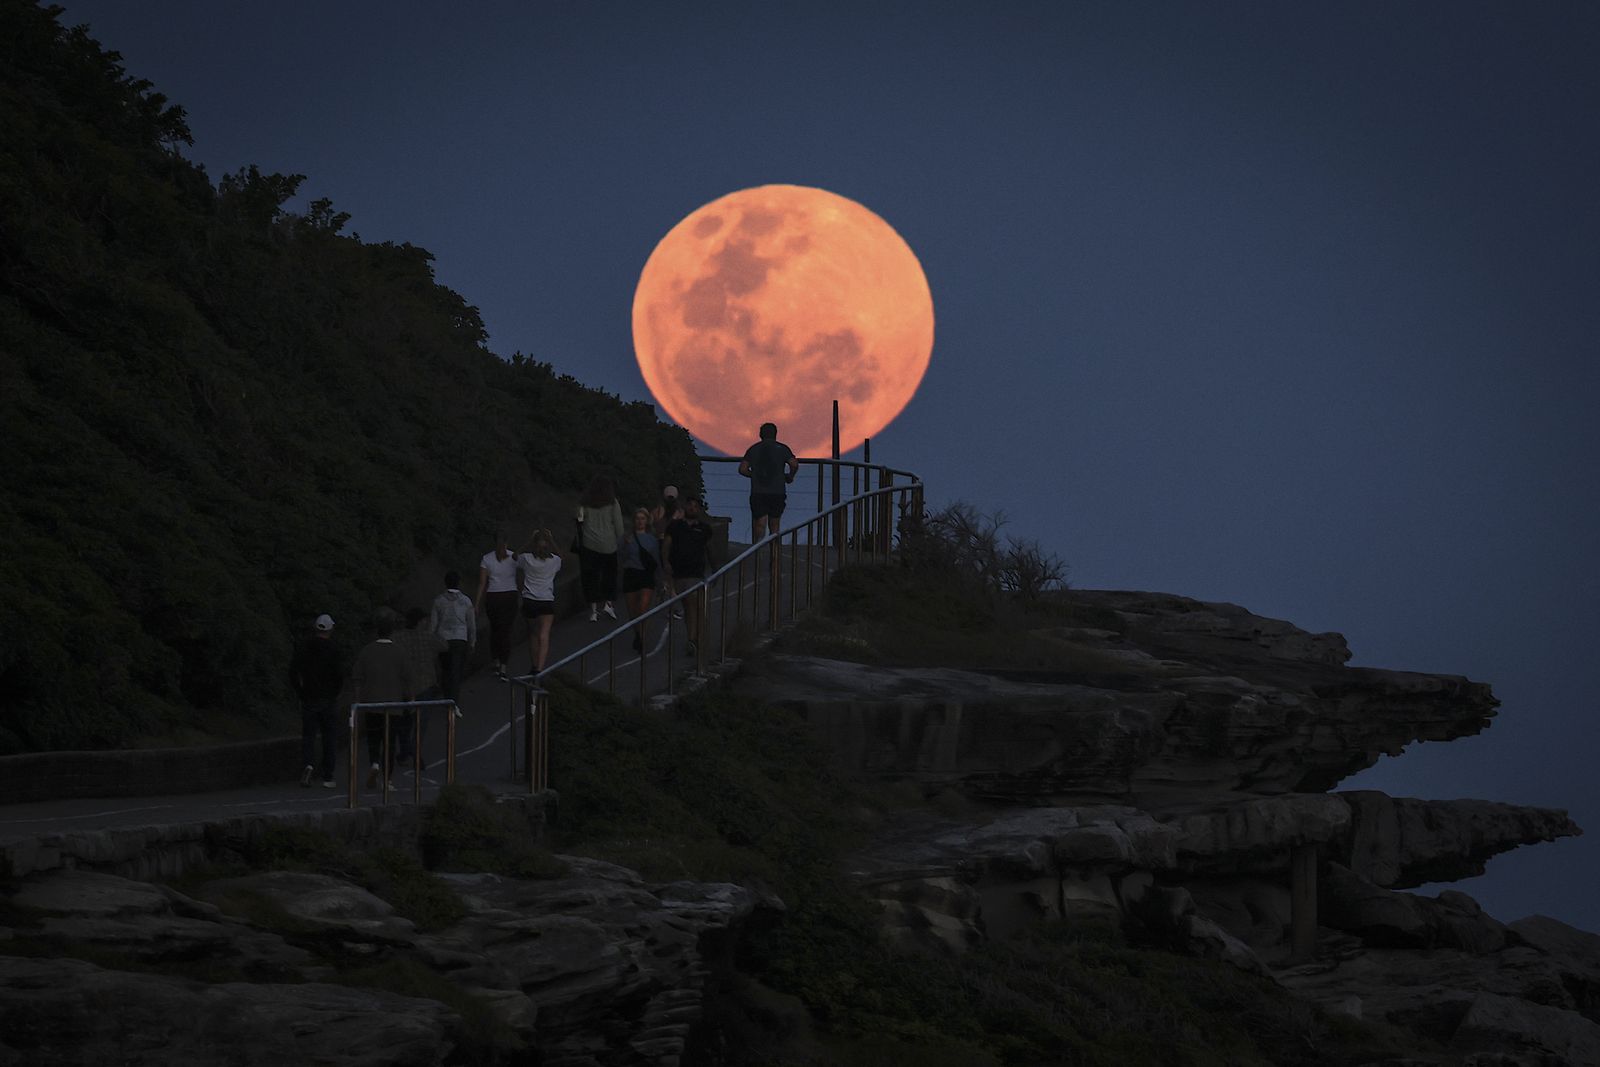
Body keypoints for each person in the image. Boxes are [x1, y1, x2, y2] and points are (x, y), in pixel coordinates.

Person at [341, 609, 414, 789]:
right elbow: (408, 678)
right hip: (394, 704)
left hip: (372, 703)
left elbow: (357, 676)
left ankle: (374, 762)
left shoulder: (367, 651)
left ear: (376, 631)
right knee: (390, 741)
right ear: (392, 631)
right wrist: (410, 699)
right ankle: (387, 779)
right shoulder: (400, 652)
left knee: (374, 738)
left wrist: (358, 698)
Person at [289, 613, 342, 788]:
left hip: (309, 697)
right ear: (330, 629)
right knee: (329, 737)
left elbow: (293, 671)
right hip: (328, 698)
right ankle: (328, 775)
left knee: (309, 736)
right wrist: (335, 692)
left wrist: (300, 691)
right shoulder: (334, 649)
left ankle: (308, 765)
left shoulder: (304, 647)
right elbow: (339, 675)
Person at [662, 495, 715, 658]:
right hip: (679, 573)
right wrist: (666, 563)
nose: (692, 508)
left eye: (695, 506)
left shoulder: (705, 529)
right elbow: (666, 545)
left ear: (699, 510)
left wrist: (715, 569)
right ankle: (694, 638)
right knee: (688, 606)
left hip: (696, 573)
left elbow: (709, 549)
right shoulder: (675, 526)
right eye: (690, 505)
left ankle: (693, 639)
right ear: (685, 507)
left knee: (693, 604)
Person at [392, 607, 442, 769]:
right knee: (421, 722)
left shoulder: (397, 638)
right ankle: (415, 750)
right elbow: (444, 645)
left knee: (404, 721)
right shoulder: (428, 637)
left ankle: (405, 750)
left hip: (404, 685)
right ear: (420, 622)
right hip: (425, 683)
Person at [574, 475, 626, 622]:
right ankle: (609, 604)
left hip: (589, 544)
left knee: (591, 577)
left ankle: (593, 610)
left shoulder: (585, 502)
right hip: (609, 545)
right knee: (610, 576)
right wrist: (620, 542)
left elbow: (578, 519)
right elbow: (619, 525)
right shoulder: (613, 502)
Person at [739, 422, 799, 539]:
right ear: (775, 434)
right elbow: (794, 464)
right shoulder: (783, 448)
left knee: (759, 523)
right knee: (775, 524)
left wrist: (754, 475)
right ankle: (774, 552)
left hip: (758, 491)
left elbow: (742, 469)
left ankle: (758, 551)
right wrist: (790, 476)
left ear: (760, 434)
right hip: (777, 491)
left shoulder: (753, 449)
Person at [516, 528, 562, 673]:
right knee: (544, 634)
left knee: (533, 634)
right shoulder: (554, 561)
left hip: (529, 600)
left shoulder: (527, 559)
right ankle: (540, 668)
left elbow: (514, 556)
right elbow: (562, 557)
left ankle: (534, 664)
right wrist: (552, 539)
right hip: (546, 600)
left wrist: (531, 539)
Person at [476, 529, 520, 680]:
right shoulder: (514, 557)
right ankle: (503, 665)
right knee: (506, 631)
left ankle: (495, 659)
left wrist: (477, 604)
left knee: (495, 630)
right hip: (510, 597)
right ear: (507, 542)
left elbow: (482, 583)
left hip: (493, 597)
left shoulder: (486, 559)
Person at [428, 570, 475, 705]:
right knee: (457, 671)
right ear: (458, 583)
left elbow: (433, 624)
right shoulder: (466, 601)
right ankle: (454, 700)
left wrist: (430, 641)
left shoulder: (438, 601)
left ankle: (447, 695)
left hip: (443, 639)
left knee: (445, 669)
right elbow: (471, 624)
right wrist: (472, 642)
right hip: (460, 638)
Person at [620, 508, 660, 653]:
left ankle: (642, 637)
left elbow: (656, 560)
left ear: (646, 521)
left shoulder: (651, 539)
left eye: (642, 518)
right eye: (637, 518)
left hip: (646, 575)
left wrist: (660, 580)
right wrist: (625, 545)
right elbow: (621, 558)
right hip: (631, 574)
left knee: (643, 608)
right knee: (632, 611)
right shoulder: (626, 537)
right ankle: (638, 633)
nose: (640, 521)